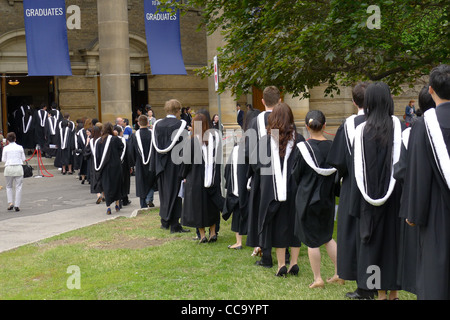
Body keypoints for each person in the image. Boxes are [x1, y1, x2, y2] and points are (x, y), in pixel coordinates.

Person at [349, 82, 403, 300]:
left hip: (367, 199)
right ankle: (394, 294)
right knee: (393, 244)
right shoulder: (398, 126)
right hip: (395, 199)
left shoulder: (361, 131)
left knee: (373, 245)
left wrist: (355, 205)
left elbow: (355, 170)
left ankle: (379, 293)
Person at [401, 64, 450, 300]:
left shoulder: (422, 126)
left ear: (431, 90)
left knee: (436, 276)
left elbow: (419, 173)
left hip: (435, 212)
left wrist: (414, 214)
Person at [326, 82, 376, 299]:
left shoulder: (348, 125)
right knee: (375, 236)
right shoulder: (386, 122)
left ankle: (364, 287)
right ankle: (377, 283)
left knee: (357, 237)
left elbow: (338, 161)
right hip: (381, 188)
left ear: (354, 101)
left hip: (354, 188)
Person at [249, 102, 303, 276]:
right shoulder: (299, 139)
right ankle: (293, 262)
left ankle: (281, 265)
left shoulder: (265, 140)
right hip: (294, 189)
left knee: (279, 224)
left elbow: (256, 166)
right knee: (294, 224)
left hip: (271, 191)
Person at [293, 110, 341, 288]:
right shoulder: (332, 147)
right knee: (328, 237)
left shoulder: (303, 149)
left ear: (307, 127)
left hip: (307, 200)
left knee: (312, 241)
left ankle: (318, 278)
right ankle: (339, 273)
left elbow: (296, 175)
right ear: (325, 125)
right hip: (327, 199)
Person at [246, 85, 282, 268]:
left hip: (262, 173)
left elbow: (249, 150)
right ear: (280, 100)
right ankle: (285, 251)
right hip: (282, 174)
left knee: (263, 212)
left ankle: (266, 256)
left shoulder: (255, 121)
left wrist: (254, 172)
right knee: (282, 211)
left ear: (262, 101)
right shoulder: (285, 118)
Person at [180, 113, 222, 243]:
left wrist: (183, 175)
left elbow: (186, 162)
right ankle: (213, 232)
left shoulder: (191, 141)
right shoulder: (213, 140)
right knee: (212, 205)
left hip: (196, 178)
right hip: (211, 178)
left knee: (197, 207)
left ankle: (202, 235)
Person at [223, 106, 260, 250]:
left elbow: (230, 168)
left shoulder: (241, 145)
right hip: (255, 183)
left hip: (241, 182)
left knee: (239, 205)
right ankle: (257, 241)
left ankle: (239, 242)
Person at [150, 99, 190, 233]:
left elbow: (154, 147)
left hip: (161, 165)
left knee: (164, 193)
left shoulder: (157, 124)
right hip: (176, 165)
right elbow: (184, 148)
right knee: (176, 193)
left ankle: (164, 222)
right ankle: (174, 224)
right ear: (178, 110)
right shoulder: (181, 125)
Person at [93, 122, 124, 215]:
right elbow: (121, 148)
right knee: (116, 184)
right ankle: (117, 204)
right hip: (115, 166)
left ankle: (108, 207)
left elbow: (97, 156)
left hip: (105, 167)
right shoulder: (115, 139)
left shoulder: (99, 141)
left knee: (107, 186)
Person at [130, 115, 155, 209]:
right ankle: (149, 198)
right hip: (152, 162)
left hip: (139, 163)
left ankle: (143, 204)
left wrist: (132, 164)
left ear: (138, 123)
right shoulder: (153, 134)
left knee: (141, 183)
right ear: (148, 123)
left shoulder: (134, 136)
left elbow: (131, 151)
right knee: (152, 181)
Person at [2, 132, 26, 212]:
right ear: (15, 139)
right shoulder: (20, 147)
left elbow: (3, 160)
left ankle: (10, 203)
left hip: (8, 168)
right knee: (18, 187)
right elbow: (23, 159)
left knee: (9, 187)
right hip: (18, 167)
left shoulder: (5, 148)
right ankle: (17, 205)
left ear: (8, 140)